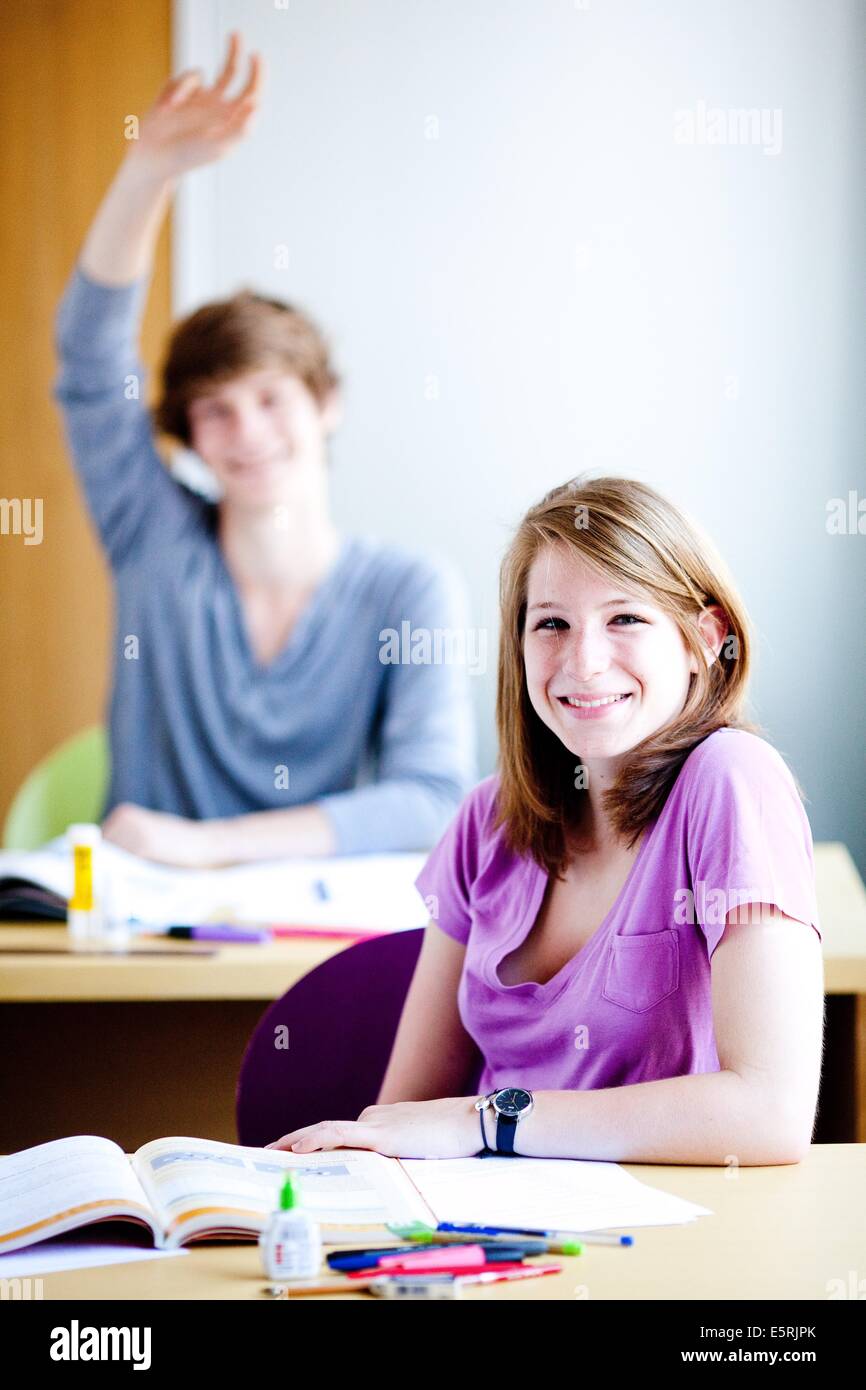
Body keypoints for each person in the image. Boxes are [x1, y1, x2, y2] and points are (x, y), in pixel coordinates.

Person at [266, 475, 824, 1165]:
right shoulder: (484, 822)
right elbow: (401, 1120)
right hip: (492, 1240)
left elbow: (771, 1115)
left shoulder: (733, 779)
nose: (584, 662)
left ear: (703, 640)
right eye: (552, 624)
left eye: (626, 619)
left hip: (667, 1242)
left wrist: (489, 1121)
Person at [52, 32, 476, 867]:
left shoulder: (409, 589)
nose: (246, 433)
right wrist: (149, 173)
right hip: (140, 951)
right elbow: (92, 362)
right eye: (213, 411)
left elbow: (432, 800)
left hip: (313, 947)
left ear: (328, 406)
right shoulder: (154, 541)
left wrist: (208, 846)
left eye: (270, 399)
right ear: (189, 436)